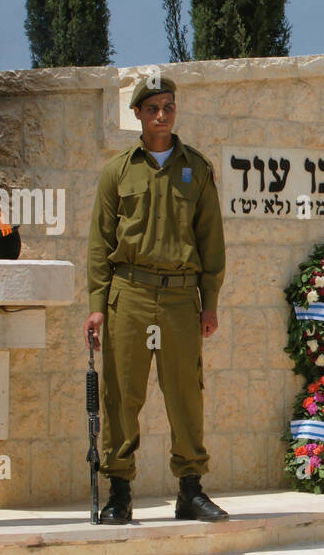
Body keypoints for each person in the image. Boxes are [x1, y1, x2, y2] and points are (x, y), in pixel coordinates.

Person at [85, 75, 228, 524]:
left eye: (168, 107)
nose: (162, 115)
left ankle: (190, 489)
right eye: (152, 109)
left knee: (186, 393)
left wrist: (210, 302)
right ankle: (120, 493)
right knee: (122, 394)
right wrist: (96, 303)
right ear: (138, 115)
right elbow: (99, 243)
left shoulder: (197, 169)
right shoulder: (118, 171)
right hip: (129, 293)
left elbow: (211, 241)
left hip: (182, 298)